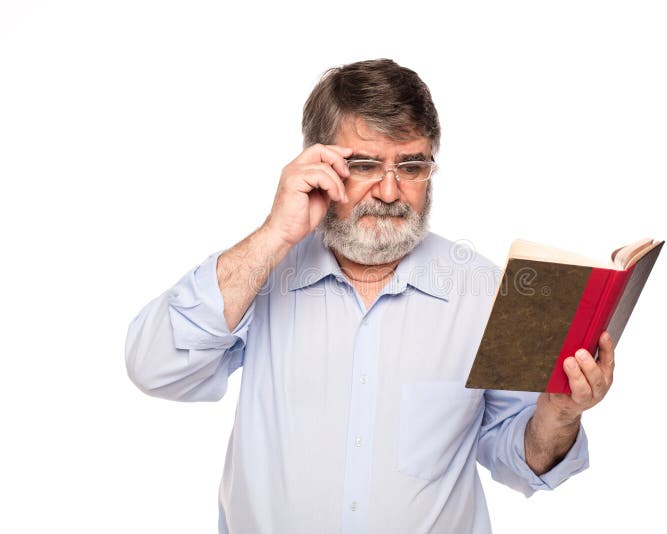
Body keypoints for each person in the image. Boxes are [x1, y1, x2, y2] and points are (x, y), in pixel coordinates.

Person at [125, 58, 615, 534]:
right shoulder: (262, 273)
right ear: (317, 164)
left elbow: (518, 460)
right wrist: (276, 233)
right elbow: (155, 368)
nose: (388, 190)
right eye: (364, 164)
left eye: (411, 166)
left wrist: (559, 415)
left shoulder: (489, 293)